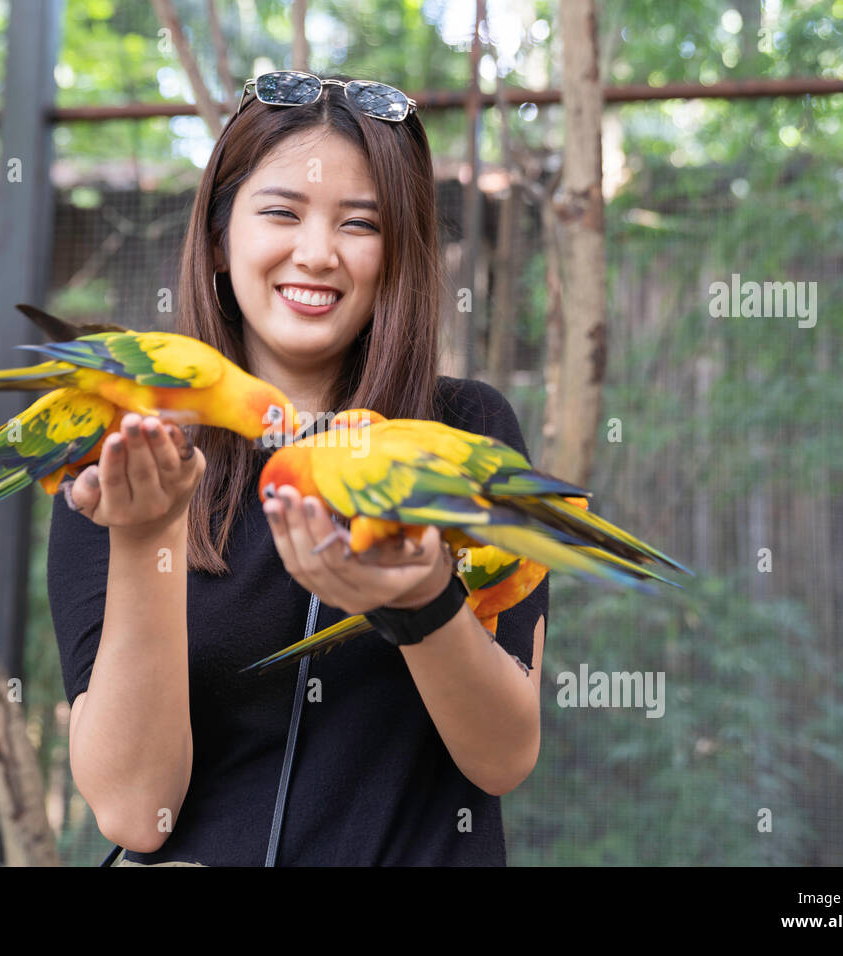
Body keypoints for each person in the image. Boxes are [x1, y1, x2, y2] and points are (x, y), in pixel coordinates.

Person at [47, 71, 548, 866]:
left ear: (397, 254)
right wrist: (149, 538)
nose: (316, 254)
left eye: (361, 224)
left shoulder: (465, 432)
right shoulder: (123, 454)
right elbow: (138, 815)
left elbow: (504, 756)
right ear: (219, 235)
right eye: (281, 212)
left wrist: (422, 602)